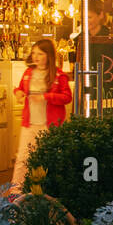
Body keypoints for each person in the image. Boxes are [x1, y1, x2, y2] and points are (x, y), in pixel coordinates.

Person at [10, 38, 72, 192]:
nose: (36, 57)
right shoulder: (28, 72)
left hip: (49, 124)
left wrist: (46, 96)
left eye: (40, 53)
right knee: (22, 158)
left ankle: (47, 192)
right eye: (34, 53)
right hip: (29, 123)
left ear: (49, 55)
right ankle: (15, 192)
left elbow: (67, 97)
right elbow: (19, 89)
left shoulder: (59, 75)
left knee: (48, 159)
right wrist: (18, 93)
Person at [73, 0, 113, 109]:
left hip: (107, 92)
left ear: (100, 15)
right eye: (83, 18)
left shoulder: (111, 38)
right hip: (86, 91)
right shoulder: (80, 39)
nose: (85, 21)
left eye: (89, 17)